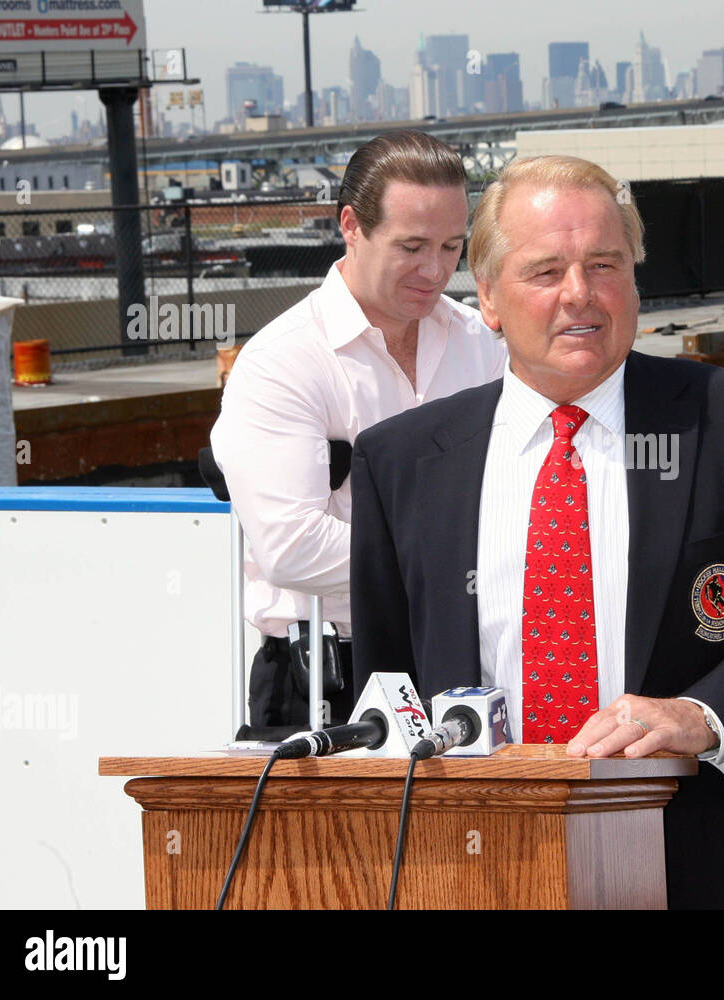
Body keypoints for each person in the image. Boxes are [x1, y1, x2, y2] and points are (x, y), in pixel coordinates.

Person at [350, 155, 724, 909]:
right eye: (546, 270)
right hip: (481, 876)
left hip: (707, 871)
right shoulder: (401, 463)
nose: (579, 295)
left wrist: (700, 717)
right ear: (487, 297)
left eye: (604, 264)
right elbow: (390, 692)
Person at [210, 130, 506, 732]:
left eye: (453, 246)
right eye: (412, 246)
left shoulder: (485, 344)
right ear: (351, 225)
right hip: (324, 679)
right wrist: (460, 558)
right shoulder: (282, 361)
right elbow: (291, 549)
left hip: (468, 661)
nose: (436, 270)